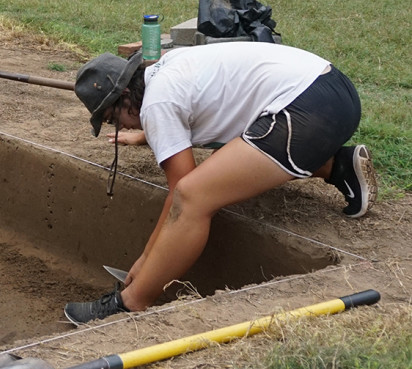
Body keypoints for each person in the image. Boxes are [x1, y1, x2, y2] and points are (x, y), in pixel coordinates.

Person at [63, 43, 377, 325]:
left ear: (125, 98)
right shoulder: (164, 69)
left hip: (307, 111)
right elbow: (197, 104)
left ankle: (131, 303)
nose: (121, 127)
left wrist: (146, 260)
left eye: (113, 119)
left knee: (194, 196)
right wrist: (149, 134)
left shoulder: (158, 105)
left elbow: (181, 193)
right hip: (331, 89)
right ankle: (339, 167)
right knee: (227, 160)